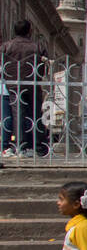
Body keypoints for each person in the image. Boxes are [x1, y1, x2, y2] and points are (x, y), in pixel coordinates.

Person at [0, 18, 48, 156]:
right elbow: (44, 68)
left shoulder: (6, 46)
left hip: (13, 84)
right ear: (30, 31)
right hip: (32, 84)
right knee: (36, 115)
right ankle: (39, 146)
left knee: (17, 114)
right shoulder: (37, 47)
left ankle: (19, 145)